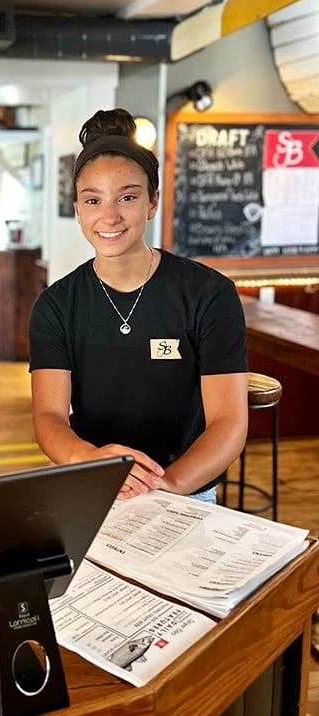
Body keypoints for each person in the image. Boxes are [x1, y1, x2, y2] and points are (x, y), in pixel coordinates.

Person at [28, 108, 248, 502]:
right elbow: (49, 418)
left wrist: (168, 486)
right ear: (78, 210)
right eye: (93, 200)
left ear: (152, 202)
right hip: (90, 482)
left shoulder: (209, 294)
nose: (109, 216)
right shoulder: (56, 306)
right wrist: (91, 461)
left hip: (187, 491)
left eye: (127, 197)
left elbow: (228, 422)